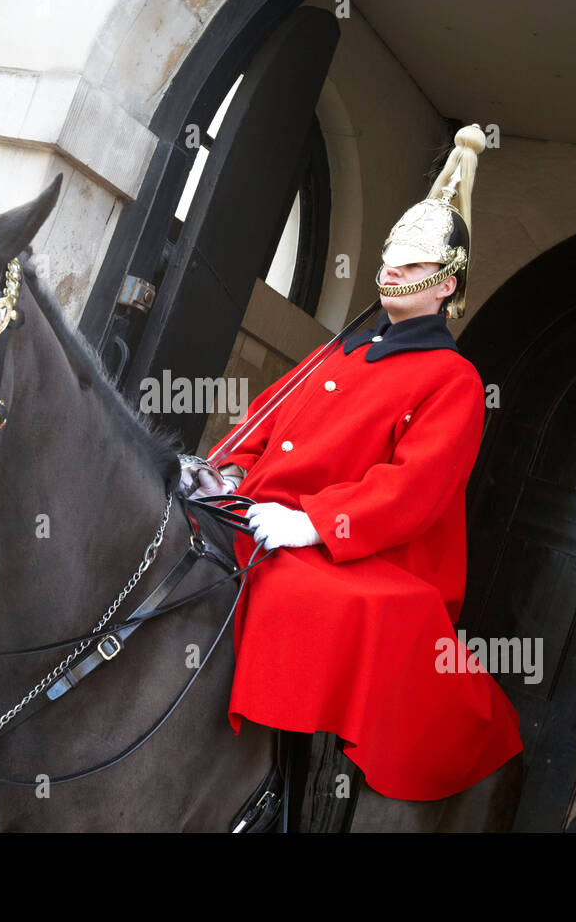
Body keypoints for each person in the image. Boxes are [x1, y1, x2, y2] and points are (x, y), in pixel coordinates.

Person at [183, 125, 523, 804]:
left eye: (413, 263)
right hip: (254, 514)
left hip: (359, 554)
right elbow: (264, 429)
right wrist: (221, 475)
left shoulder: (452, 379)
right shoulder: (340, 354)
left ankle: (286, 792)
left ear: (446, 284)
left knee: (289, 597)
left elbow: (414, 491)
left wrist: (315, 524)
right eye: (392, 258)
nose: (393, 270)